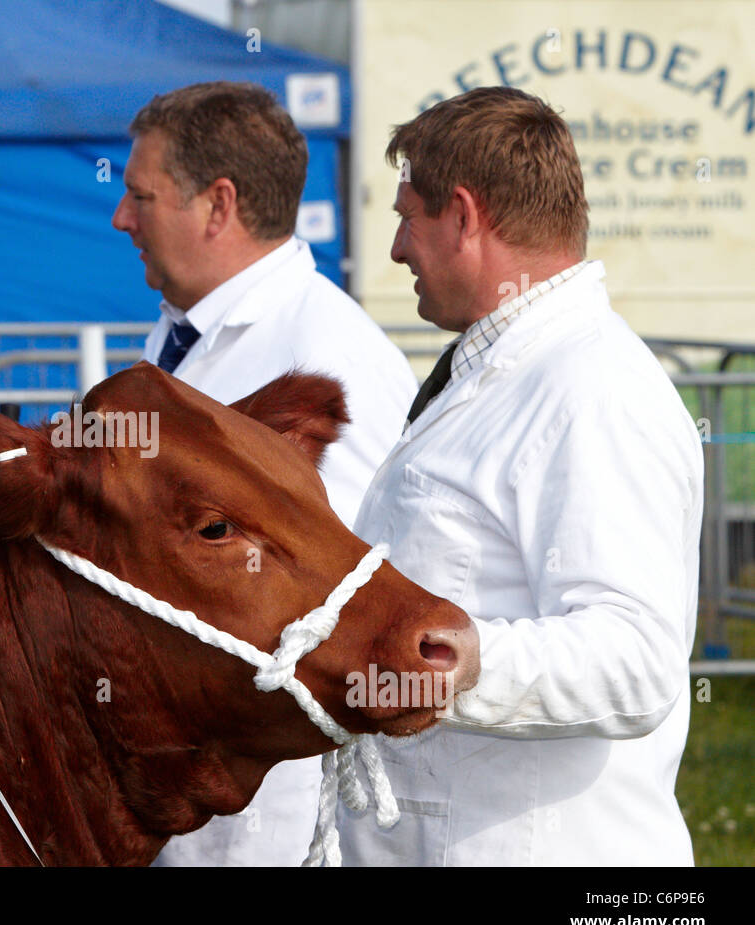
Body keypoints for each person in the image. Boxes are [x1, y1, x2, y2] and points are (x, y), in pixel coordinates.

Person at [336, 86, 703, 865]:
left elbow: (636, 658)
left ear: (464, 216)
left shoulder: (594, 390)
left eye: (407, 217)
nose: (397, 248)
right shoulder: (509, 368)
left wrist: (461, 662)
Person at [111, 82, 418, 866]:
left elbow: (337, 596)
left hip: (266, 814)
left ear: (219, 205)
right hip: (185, 779)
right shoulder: (184, 336)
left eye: (139, 197)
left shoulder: (327, 357)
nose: (121, 219)